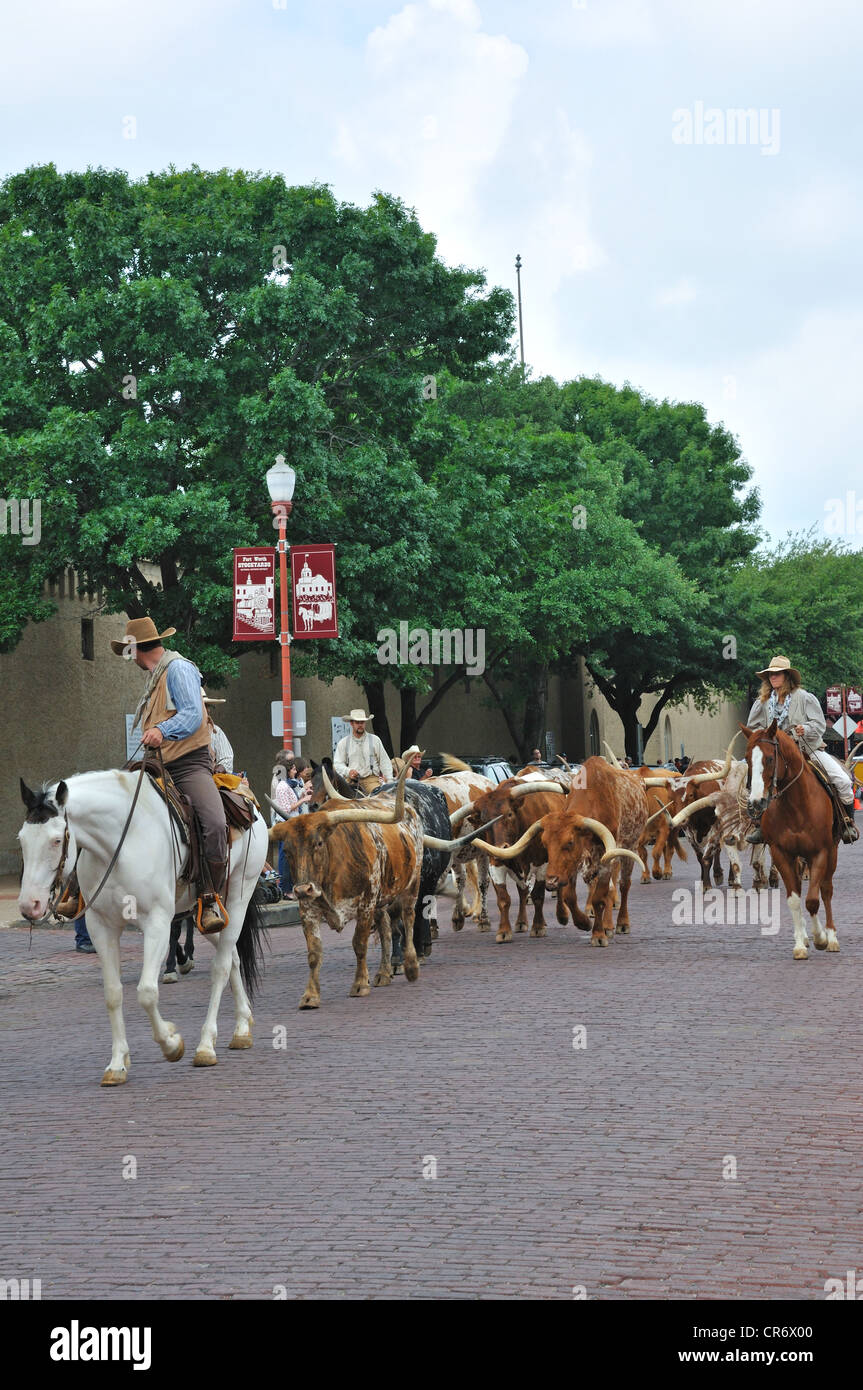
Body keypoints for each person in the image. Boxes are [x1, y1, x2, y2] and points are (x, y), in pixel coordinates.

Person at [111, 617, 229, 932]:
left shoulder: (178, 669)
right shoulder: (155, 677)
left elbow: (192, 714)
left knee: (215, 823)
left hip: (189, 764)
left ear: (136, 650)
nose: (129, 657)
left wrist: (161, 730)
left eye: (129, 650)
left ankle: (210, 895)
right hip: (157, 763)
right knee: (115, 809)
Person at [745, 654, 858, 845]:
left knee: (843, 781)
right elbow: (753, 728)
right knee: (748, 784)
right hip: (773, 755)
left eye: (777, 674)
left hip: (806, 750)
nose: (773, 677)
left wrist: (804, 729)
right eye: (770, 675)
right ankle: (759, 825)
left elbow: (819, 724)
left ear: (787, 676)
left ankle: (846, 823)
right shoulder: (762, 702)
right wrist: (763, 737)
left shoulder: (805, 698)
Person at [272, 754, 312, 897]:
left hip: (293, 824)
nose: (296, 770)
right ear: (288, 770)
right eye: (294, 768)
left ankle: (291, 887)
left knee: (292, 858)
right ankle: (285, 889)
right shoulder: (283, 786)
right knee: (285, 858)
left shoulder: (289, 784)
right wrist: (304, 800)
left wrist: (302, 796)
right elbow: (286, 809)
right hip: (286, 826)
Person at [333, 709, 393, 793]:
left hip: (371, 781)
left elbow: (384, 761)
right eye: (357, 722)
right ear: (351, 723)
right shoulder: (343, 743)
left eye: (362, 722)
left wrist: (390, 781)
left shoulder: (375, 740)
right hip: (351, 782)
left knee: (378, 799)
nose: (360, 725)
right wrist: (348, 771)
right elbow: (337, 764)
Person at [203, 691, 233, 773]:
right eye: (204, 706)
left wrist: (220, 768)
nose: (208, 710)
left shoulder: (215, 731)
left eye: (208, 706)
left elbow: (227, 758)